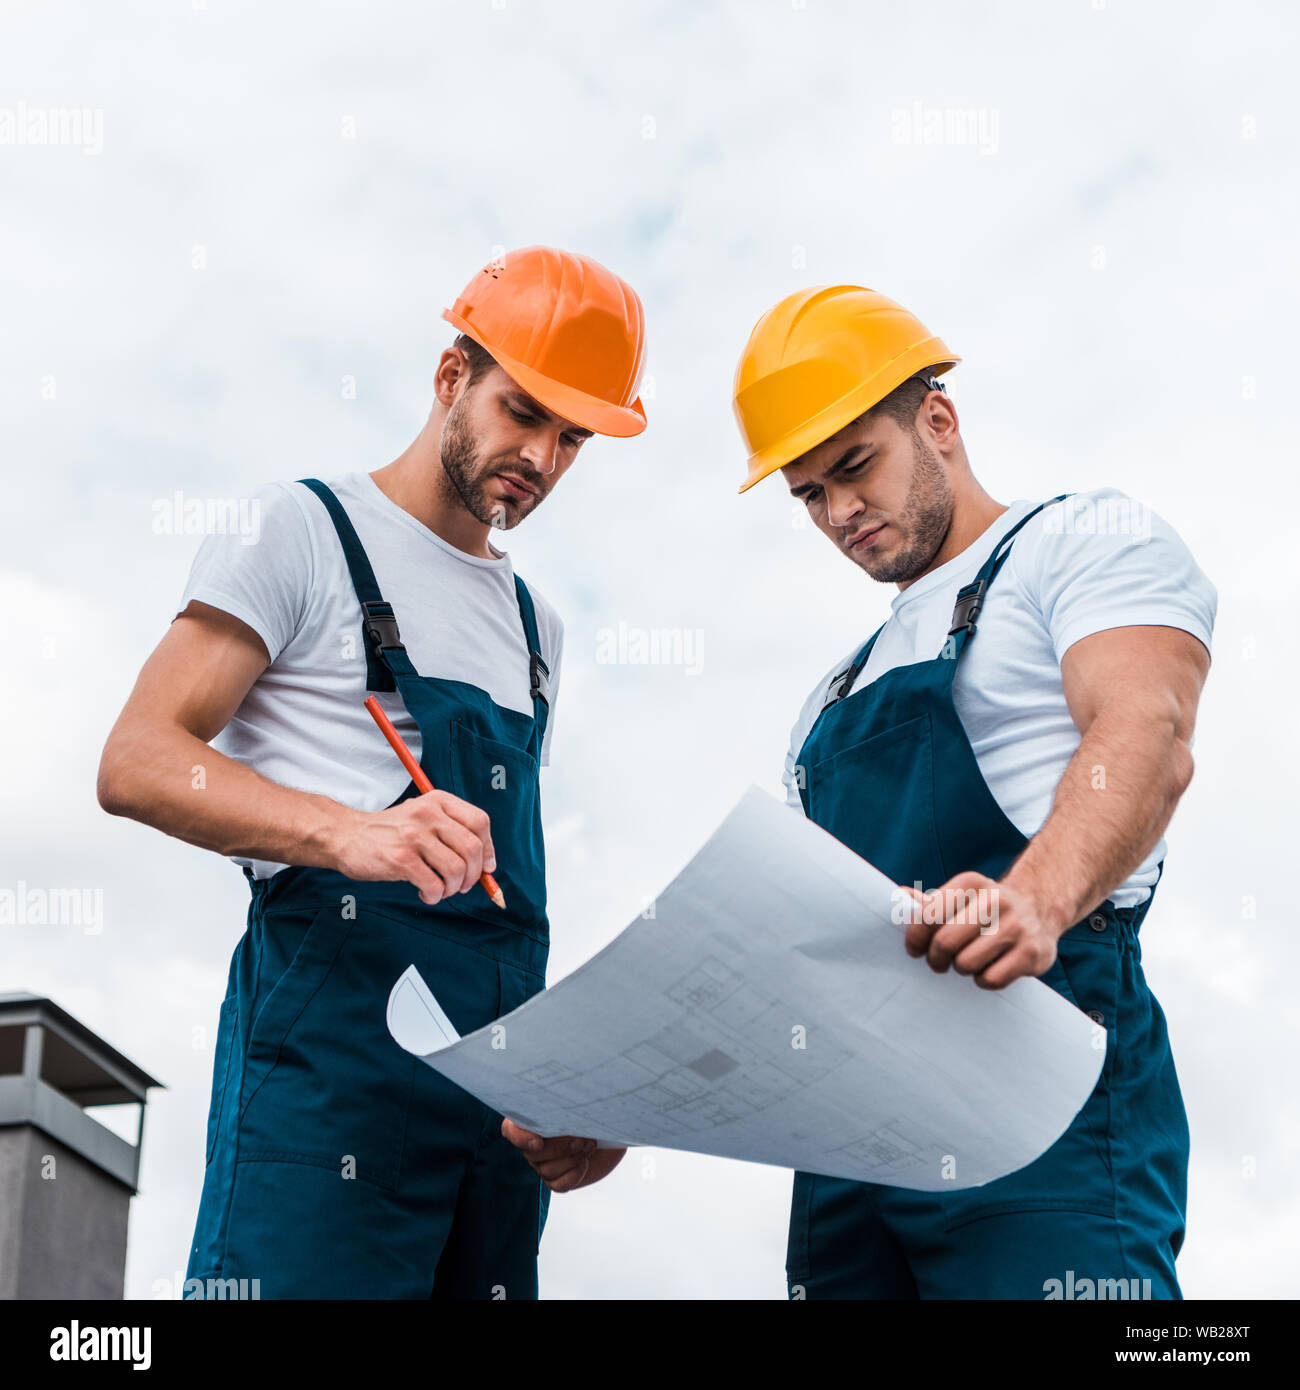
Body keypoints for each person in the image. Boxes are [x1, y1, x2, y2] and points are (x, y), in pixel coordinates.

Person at [96, 245, 647, 1299]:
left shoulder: (540, 631)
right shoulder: (301, 532)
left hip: (490, 1147)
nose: (539, 454)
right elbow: (138, 759)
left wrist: (577, 1097)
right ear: (451, 377)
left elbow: (500, 913)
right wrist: (348, 831)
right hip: (326, 1109)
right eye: (520, 411)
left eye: (572, 437)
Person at [729, 283, 1216, 1299]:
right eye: (809, 493)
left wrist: (1033, 899)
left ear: (937, 421)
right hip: (850, 1146)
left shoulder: (1078, 542)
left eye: (854, 465)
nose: (839, 511)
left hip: (1038, 1090)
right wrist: (621, 1099)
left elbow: (1143, 730)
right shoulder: (833, 694)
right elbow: (797, 935)